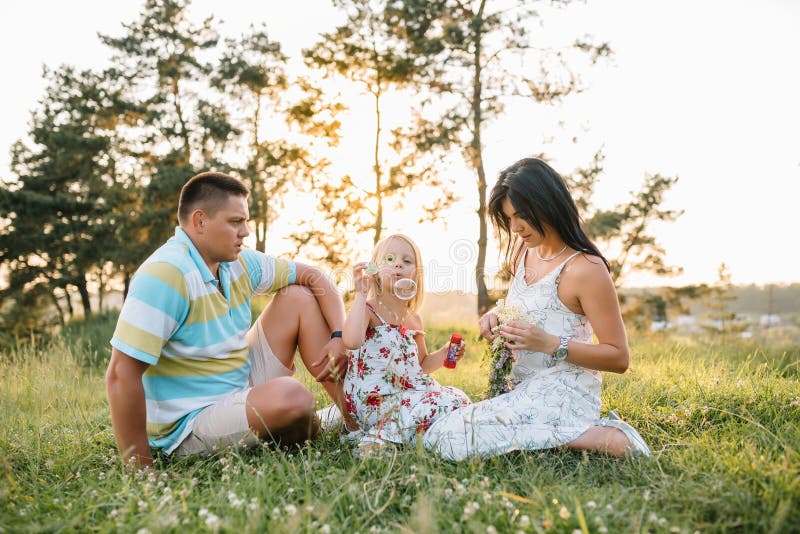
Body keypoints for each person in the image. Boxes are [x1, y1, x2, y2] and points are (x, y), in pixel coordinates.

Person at [106, 171, 350, 469]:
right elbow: (121, 373)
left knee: (298, 297)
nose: (245, 231)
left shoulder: (238, 262)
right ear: (200, 221)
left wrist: (339, 337)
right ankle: (307, 422)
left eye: (245, 221)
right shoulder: (165, 274)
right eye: (235, 222)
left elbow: (315, 276)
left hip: (239, 384)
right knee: (295, 397)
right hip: (192, 422)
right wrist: (140, 470)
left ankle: (357, 420)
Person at [423, 158, 652, 461]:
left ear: (548, 204)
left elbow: (618, 357)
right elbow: (525, 306)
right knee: (442, 435)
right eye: (509, 218)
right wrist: (497, 315)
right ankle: (567, 434)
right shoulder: (523, 250)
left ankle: (604, 437)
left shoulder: (586, 269)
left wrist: (550, 344)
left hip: (565, 392)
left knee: (453, 438)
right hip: (523, 387)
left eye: (521, 216)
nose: (516, 228)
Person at [341, 234, 471, 454]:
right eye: (389, 259)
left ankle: (392, 436)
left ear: (415, 274)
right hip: (374, 399)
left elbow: (422, 365)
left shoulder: (413, 318)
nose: (398, 263)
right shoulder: (369, 309)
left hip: (406, 394)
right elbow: (351, 341)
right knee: (440, 405)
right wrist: (361, 294)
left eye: (407, 261)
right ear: (376, 270)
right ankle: (375, 438)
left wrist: (445, 352)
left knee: (459, 398)